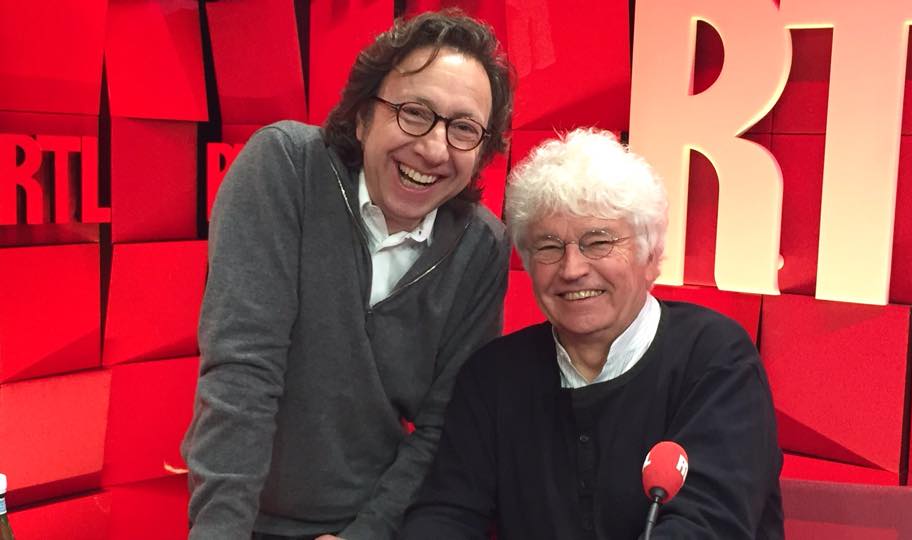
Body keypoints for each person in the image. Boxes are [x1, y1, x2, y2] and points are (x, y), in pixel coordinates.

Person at [181, 10, 514, 540]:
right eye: (413, 113)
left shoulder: (482, 247)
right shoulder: (285, 169)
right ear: (363, 116)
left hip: (373, 524)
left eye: (464, 129)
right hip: (246, 521)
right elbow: (243, 374)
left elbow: (442, 426)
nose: (432, 149)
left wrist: (367, 534)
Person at [400, 128, 784, 539]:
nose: (572, 269)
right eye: (548, 247)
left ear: (650, 255)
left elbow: (707, 526)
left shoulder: (715, 358)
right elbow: (445, 514)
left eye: (598, 242)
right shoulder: (493, 378)